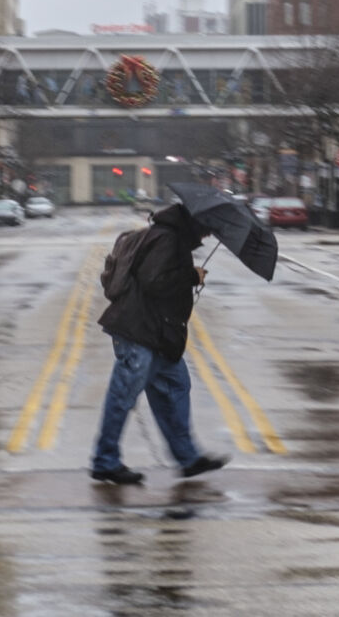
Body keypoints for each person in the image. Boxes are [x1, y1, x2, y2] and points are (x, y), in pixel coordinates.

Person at [89, 201, 228, 485]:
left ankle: (188, 458)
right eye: (206, 230)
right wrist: (192, 276)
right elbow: (155, 281)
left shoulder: (168, 237)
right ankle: (105, 461)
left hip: (158, 334)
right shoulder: (167, 239)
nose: (207, 237)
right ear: (195, 223)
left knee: (176, 386)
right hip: (140, 331)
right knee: (123, 395)